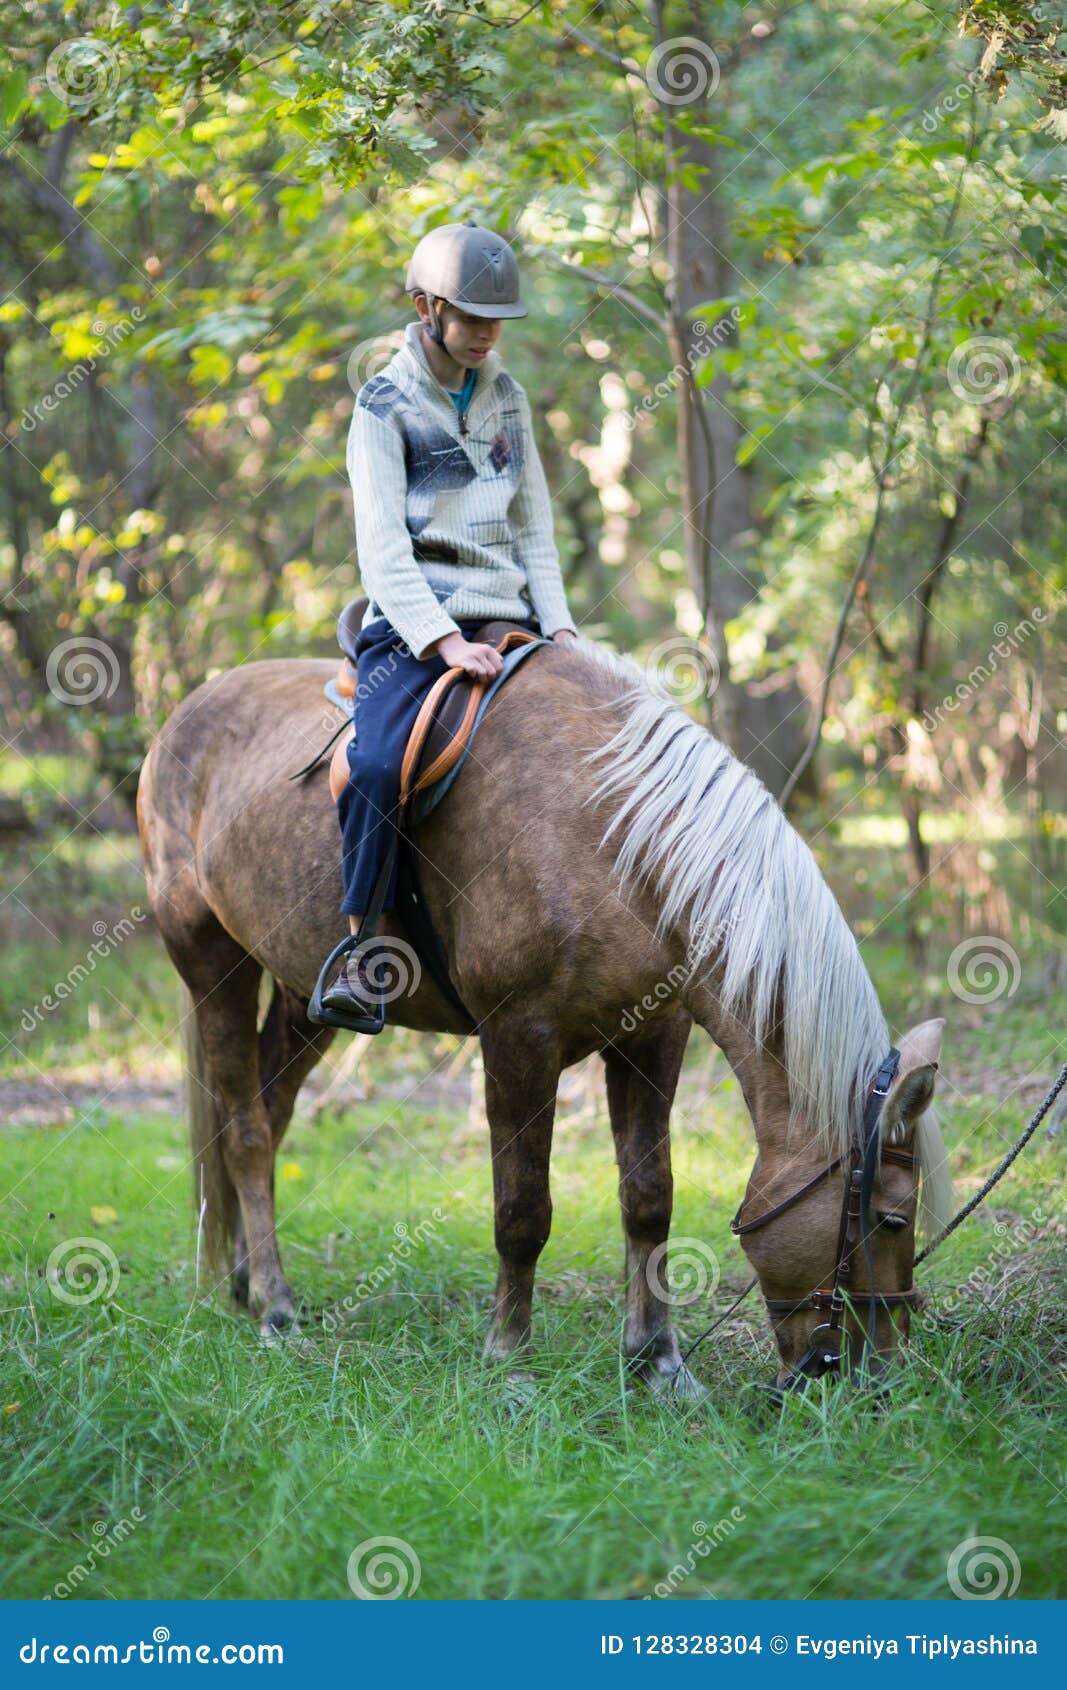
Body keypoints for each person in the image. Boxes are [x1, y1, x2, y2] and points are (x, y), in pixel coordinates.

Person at [319, 220, 579, 1027]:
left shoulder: (508, 397)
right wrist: (443, 641)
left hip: (511, 618)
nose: (486, 334)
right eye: (470, 317)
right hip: (414, 626)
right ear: (426, 308)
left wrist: (563, 631)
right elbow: (382, 552)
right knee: (375, 765)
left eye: (497, 320)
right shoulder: (382, 405)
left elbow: (533, 528)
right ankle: (361, 952)